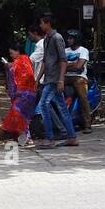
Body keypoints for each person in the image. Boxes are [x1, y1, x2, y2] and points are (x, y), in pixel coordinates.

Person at [36, 14, 78, 148]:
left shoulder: (57, 38)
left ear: (48, 23)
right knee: (63, 108)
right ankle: (71, 137)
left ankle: (50, 138)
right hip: (49, 78)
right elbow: (45, 61)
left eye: (42, 23)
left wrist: (61, 80)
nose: (40, 25)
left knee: (43, 105)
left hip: (54, 79)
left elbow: (63, 60)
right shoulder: (46, 39)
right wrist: (38, 78)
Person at [5, 42, 37, 145]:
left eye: (11, 53)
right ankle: (26, 137)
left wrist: (10, 66)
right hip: (27, 93)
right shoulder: (24, 60)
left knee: (17, 113)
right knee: (23, 115)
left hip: (23, 93)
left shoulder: (21, 60)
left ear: (17, 51)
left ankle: (25, 136)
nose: (11, 56)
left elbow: (26, 75)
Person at [65, 30, 92, 134]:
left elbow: (79, 66)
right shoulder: (65, 51)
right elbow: (60, 65)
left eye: (71, 38)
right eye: (68, 38)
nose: (68, 40)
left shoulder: (83, 51)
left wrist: (67, 66)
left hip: (79, 77)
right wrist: (73, 65)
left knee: (83, 97)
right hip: (65, 77)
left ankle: (88, 124)